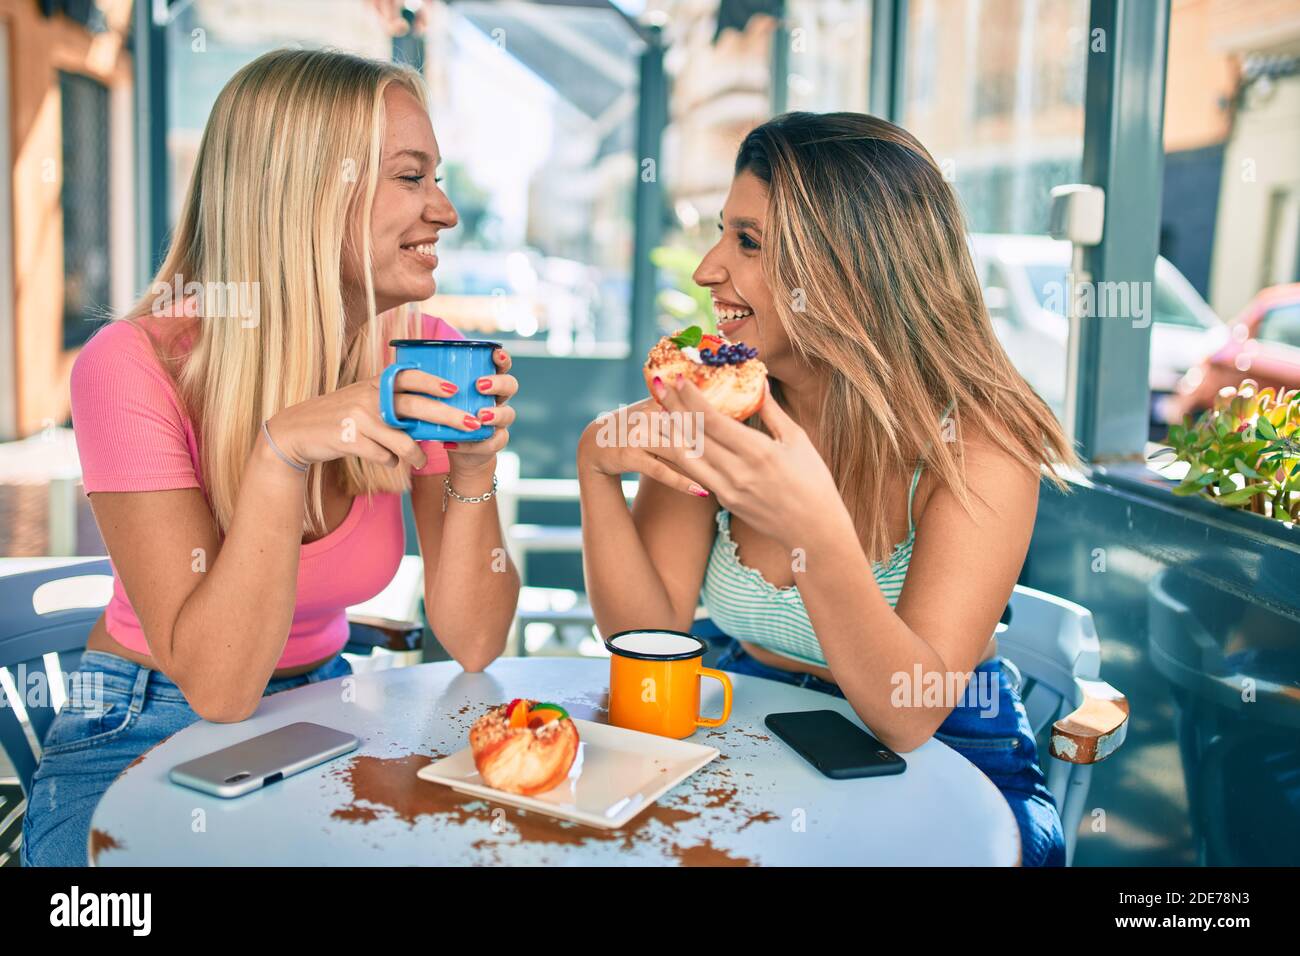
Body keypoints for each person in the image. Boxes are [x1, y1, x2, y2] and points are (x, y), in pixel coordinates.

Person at [21, 49, 520, 867]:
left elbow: (473, 641)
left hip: (327, 708)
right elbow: (218, 689)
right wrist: (279, 454)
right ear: (309, 193)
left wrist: (471, 472)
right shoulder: (132, 366)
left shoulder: (426, 356)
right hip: (146, 718)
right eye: (411, 177)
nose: (446, 211)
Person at [579, 112, 1081, 866]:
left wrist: (813, 529)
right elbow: (648, 638)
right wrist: (594, 473)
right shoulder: (720, 405)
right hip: (743, 716)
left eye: (748, 241)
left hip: (947, 753)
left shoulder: (981, 444)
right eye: (722, 232)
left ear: (849, 269)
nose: (707, 268)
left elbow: (906, 716)